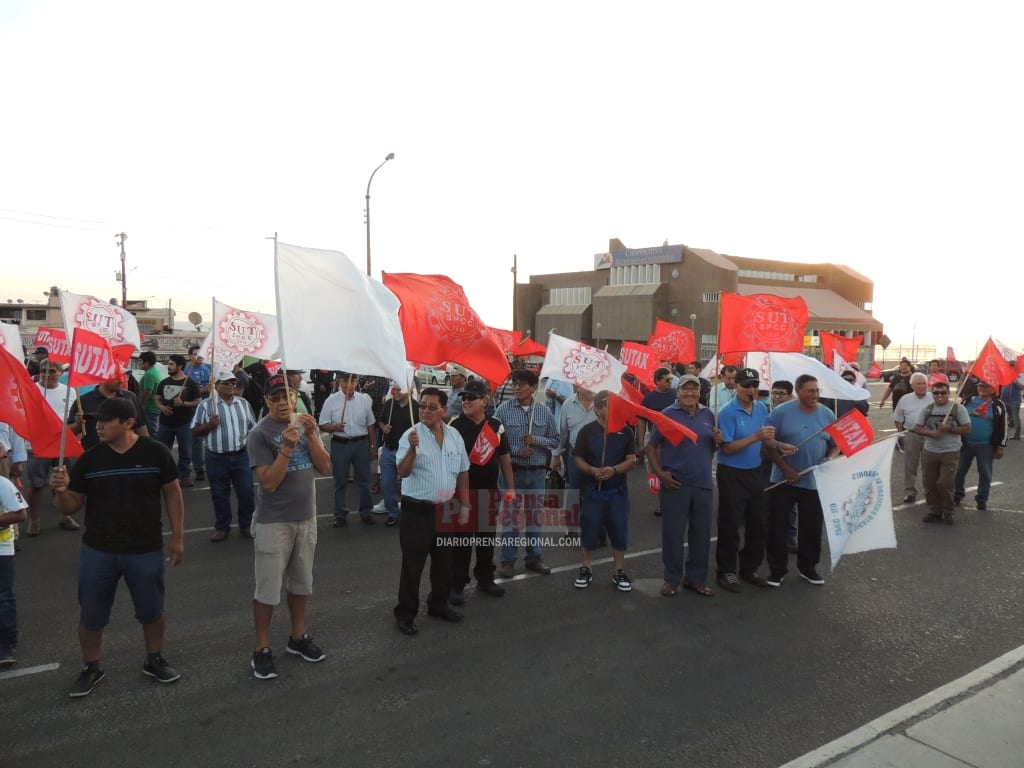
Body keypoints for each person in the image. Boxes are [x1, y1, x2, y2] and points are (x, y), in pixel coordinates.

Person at [50, 397, 184, 698]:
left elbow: (173, 493)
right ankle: (91, 667)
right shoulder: (89, 459)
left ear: (127, 423)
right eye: (98, 420)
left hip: (145, 548)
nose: (98, 425)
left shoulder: (156, 452)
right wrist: (60, 491)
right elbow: (71, 505)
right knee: (92, 614)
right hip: (99, 550)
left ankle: (154, 659)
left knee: (151, 611)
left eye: (106, 420)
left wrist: (177, 536)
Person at [247, 373, 332, 679]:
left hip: (306, 518)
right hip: (274, 522)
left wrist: (311, 436)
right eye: (276, 397)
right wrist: (285, 449)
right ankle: (261, 648)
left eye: (288, 395)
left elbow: (324, 467)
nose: (283, 402)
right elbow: (268, 483)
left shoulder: (306, 424)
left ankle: (298, 637)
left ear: (296, 396)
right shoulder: (259, 434)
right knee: (268, 590)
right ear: (266, 401)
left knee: (301, 585)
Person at [393, 387, 471, 635]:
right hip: (416, 512)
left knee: (443, 563)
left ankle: (439, 604)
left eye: (431, 406)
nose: (425, 410)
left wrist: (466, 504)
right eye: (422, 406)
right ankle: (405, 613)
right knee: (412, 566)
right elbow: (402, 472)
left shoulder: (454, 435)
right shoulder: (410, 435)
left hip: (445, 509)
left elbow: (462, 471)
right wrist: (411, 451)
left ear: (444, 411)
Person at [645, 375, 719, 597]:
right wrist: (660, 473)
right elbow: (650, 447)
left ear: (700, 392)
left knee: (701, 534)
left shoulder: (708, 415)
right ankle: (672, 579)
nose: (690, 393)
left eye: (694, 390)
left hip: (703, 483)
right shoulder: (668, 415)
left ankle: (695, 579)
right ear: (677, 393)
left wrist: (718, 441)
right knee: (673, 535)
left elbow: (710, 449)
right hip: (676, 484)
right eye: (685, 390)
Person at [765, 375, 838, 587]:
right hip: (782, 481)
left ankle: (808, 568)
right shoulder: (780, 413)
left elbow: (835, 444)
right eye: (810, 391)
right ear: (798, 391)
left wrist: (830, 458)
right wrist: (786, 468)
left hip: (814, 483)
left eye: (817, 390)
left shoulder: (827, 413)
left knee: (812, 527)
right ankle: (776, 570)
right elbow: (768, 445)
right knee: (778, 527)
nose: (815, 395)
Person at [447, 379, 513, 603]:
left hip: (489, 493)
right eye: (463, 398)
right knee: (462, 542)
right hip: (462, 494)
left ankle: (485, 579)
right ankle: (457, 583)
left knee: (486, 539)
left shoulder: (496, 425)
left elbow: (504, 458)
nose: (465, 401)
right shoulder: (455, 425)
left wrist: (510, 488)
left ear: (484, 401)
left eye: (470, 398)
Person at [493, 369, 560, 577]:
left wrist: (537, 441)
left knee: (535, 518)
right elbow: (494, 440)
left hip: (538, 473)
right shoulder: (503, 410)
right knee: (510, 518)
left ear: (533, 387)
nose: (517, 388)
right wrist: (516, 450)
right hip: (512, 472)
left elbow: (556, 441)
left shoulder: (543, 412)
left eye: (522, 384)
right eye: (515, 384)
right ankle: (507, 561)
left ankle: (534, 558)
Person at [715, 368, 776, 593]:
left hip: (755, 472)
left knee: (758, 522)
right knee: (730, 523)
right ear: (737, 387)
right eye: (746, 386)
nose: (751, 390)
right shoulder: (728, 412)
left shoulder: (761, 408)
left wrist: (778, 446)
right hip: (731, 473)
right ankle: (726, 570)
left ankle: (749, 568)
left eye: (754, 386)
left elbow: (767, 440)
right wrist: (755, 437)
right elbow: (728, 448)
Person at [572, 391, 637, 591]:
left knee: (619, 530)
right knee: (589, 530)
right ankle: (586, 568)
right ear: (598, 409)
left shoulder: (626, 432)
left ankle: (619, 571)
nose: (613, 409)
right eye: (608, 405)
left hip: (617, 492)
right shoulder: (586, 431)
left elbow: (632, 459)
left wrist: (614, 470)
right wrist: (592, 470)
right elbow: (578, 458)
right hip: (592, 491)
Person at [192, 369, 258, 541]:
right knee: (219, 494)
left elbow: (254, 429)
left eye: (233, 383)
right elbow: (195, 431)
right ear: (217, 386)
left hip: (241, 455)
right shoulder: (206, 405)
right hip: (216, 457)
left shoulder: (243, 403)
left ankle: (246, 525)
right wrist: (209, 425)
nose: (231, 386)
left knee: (246, 492)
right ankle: (222, 527)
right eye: (226, 383)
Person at [24, 359, 79, 534]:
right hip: (38, 445)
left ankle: (65, 517)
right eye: (44, 370)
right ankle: (34, 521)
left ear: (60, 373)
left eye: (52, 371)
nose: (47, 374)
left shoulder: (70, 391)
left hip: (62, 445)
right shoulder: (31, 390)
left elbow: (73, 419)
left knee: (64, 482)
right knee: (36, 485)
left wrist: (77, 430)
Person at [319, 373, 377, 526]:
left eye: (353, 381)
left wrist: (372, 446)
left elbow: (371, 424)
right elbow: (322, 425)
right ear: (339, 382)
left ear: (357, 382)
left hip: (361, 444)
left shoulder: (363, 400)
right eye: (345, 381)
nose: (349, 385)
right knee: (340, 481)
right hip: (340, 444)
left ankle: (366, 512)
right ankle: (340, 514)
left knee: (364, 481)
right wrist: (334, 427)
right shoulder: (331, 401)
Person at [911, 382, 970, 524]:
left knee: (945, 482)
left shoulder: (958, 408)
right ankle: (934, 511)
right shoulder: (927, 409)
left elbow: (967, 429)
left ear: (948, 393)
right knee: (930, 483)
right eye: (936, 393)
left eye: (943, 392)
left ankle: (948, 511)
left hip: (950, 451)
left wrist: (950, 429)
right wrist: (931, 433)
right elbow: (918, 428)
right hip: (930, 451)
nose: (939, 396)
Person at [953, 378, 1006, 512]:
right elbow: (957, 418)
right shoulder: (967, 401)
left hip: (986, 446)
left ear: (993, 389)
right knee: (959, 472)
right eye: (981, 386)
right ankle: (957, 495)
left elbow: (1003, 426)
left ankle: (982, 500)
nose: (982, 388)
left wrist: (1001, 446)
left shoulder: (998, 405)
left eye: (986, 386)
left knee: (985, 474)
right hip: (965, 444)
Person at [375, 382, 419, 526]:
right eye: (395, 389)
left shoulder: (417, 407)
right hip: (389, 450)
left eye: (400, 389)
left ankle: (409, 514)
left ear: (410, 390)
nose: (396, 392)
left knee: (409, 486)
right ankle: (393, 513)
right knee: (386, 484)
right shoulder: (389, 404)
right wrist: (384, 427)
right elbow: (380, 421)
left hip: (407, 453)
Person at [155, 354, 202, 487]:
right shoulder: (164, 382)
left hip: (184, 423)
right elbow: (157, 399)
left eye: (171, 364)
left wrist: (183, 403)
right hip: (165, 423)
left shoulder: (191, 384)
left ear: (179, 366)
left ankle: (184, 476)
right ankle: (163, 475)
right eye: (168, 364)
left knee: (185, 451)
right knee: (163, 450)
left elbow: (198, 401)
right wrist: (162, 407)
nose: (168, 367)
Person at [0, 474, 28, 665]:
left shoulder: (2, 484)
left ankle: (5, 646)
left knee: (3, 597)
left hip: (1, 549)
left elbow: (20, 513)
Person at [892, 372, 932, 503]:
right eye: (918, 383)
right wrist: (902, 434)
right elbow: (897, 418)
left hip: (930, 436)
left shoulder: (933, 398)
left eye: (924, 383)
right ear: (912, 385)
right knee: (910, 465)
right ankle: (910, 492)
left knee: (929, 466)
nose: (922, 386)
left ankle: (930, 492)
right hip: (912, 435)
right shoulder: (905, 399)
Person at [184, 346, 211, 482]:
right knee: (197, 439)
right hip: (195, 409)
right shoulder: (186, 371)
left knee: (212, 437)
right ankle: (199, 468)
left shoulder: (208, 367)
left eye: (201, 354)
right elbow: (185, 392)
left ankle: (211, 465)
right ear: (190, 356)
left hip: (210, 407)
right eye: (196, 354)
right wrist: (203, 389)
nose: (199, 356)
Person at [137, 351, 163, 435]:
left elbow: (147, 391)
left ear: (147, 362)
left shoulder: (150, 374)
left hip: (149, 408)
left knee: (150, 432)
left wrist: (139, 404)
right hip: (152, 407)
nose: (139, 363)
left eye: (140, 360)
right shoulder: (153, 371)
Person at [999, 369, 1022, 441]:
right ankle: (1003, 435)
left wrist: (1015, 380)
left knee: (1015, 418)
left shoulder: (1020, 375)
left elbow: (1021, 387)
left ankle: (1017, 435)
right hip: (1004, 400)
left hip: (1014, 401)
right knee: (1004, 418)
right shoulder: (1004, 374)